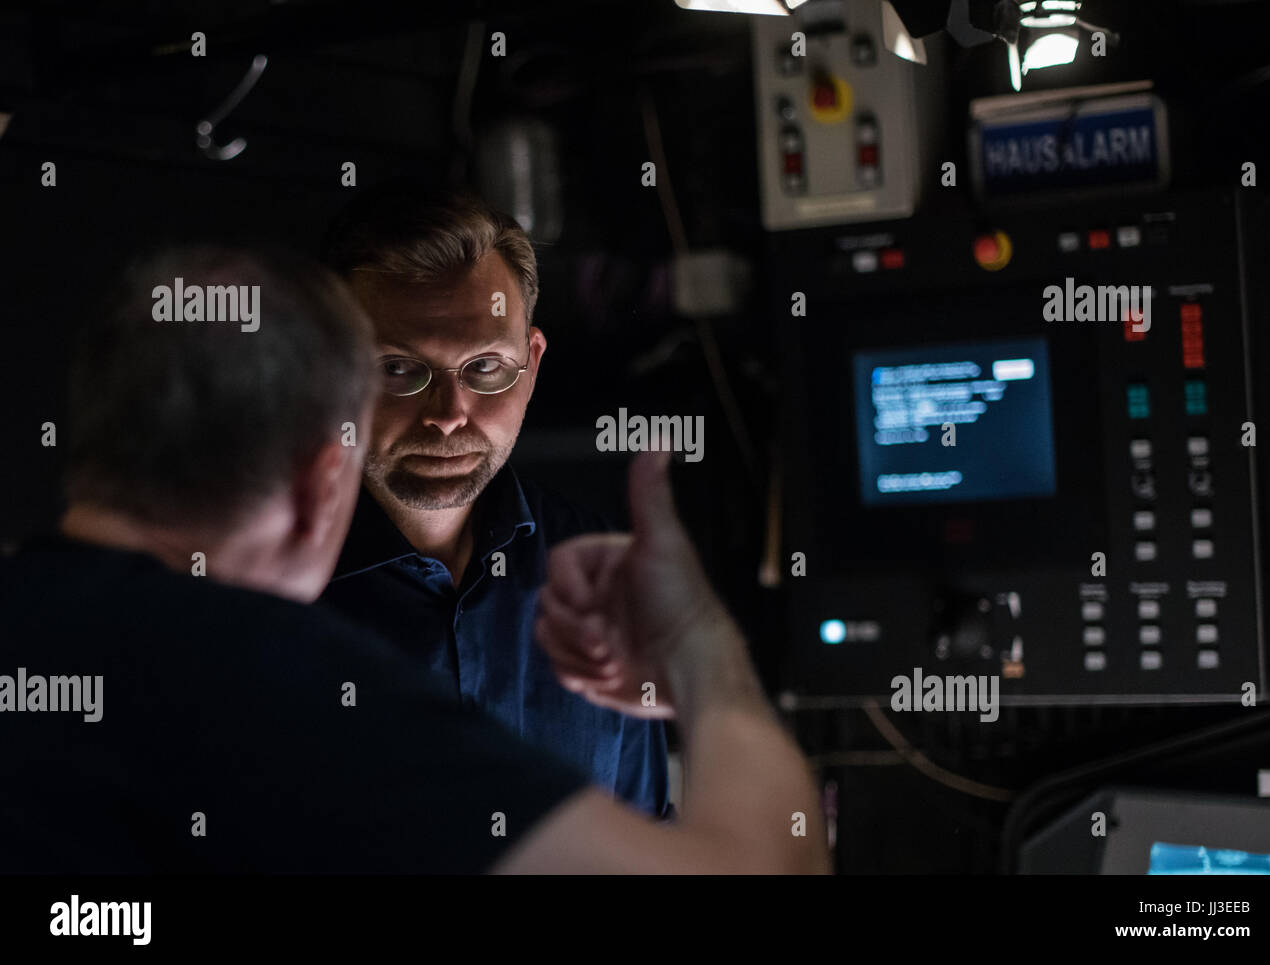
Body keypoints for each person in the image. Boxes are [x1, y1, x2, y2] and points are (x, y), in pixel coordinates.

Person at [0, 245, 826, 874]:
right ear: (330, 475)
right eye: (400, 375)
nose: (447, 416)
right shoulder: (280, 680)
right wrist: (700, 649)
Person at [318, 181, 670, 817]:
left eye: (485, 367)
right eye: (397, 368)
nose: (449, 416)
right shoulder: (248, 598)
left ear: (531, 365)